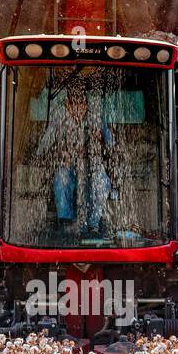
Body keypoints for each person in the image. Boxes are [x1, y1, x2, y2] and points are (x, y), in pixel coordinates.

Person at [35, 81, 117, 237]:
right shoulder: (58, 120)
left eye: (82, 104)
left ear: (86, 104)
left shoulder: (96, 119)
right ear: (67, 104)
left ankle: (93, 223)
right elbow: (42, 149)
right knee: (62, 178)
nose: (78, 108)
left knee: (102, 181)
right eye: (74, 104)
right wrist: (59, 154)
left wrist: (99, 140)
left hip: (92, 164)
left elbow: (112, 145)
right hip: (68, 165)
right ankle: (66, 221)